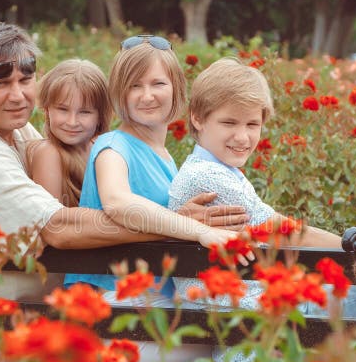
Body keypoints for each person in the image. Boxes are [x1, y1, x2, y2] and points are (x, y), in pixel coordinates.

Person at [0, 23, 247, 300]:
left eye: (24, 80)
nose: (18, 95)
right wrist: (174, 223)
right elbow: (59, 228)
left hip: (16, 287)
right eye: (1, 83)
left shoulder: (11, 128)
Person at [168, 58, 356, 322]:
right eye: (229, 123)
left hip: (250, 311)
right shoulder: (208, 177)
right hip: (256, 320)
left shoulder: (203, 167)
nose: (242, 137)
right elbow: (288, 234)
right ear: (198, 119)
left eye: (252, 125)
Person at [65, 35, 239, 298]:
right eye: (135, 86)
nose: (147, 96)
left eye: (158, 83)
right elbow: (118, 202)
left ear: (175, 88)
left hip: (159, 300)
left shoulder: (165, 156)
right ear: (120, 92)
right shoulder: (113, 146)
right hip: (119, 299)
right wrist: (199, 231)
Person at [26, 59, 111, 206]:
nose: (72, 122)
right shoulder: (49, 153)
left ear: (100, 116)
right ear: (47, 109)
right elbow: (52, 222)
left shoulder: (100, 148)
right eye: (63, 110)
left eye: (84, 112)